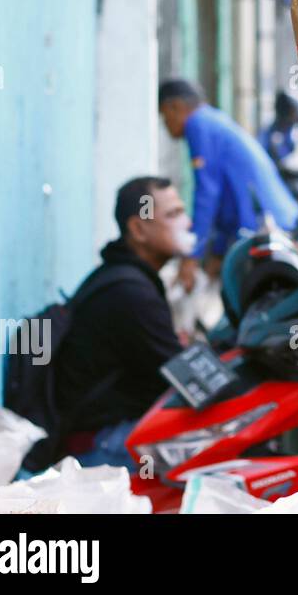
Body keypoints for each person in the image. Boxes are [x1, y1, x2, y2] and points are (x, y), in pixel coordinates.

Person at [55, 177, 191, 469]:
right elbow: (184, 380)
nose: (187, 223)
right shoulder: (132, 292)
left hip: (97, 434)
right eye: (173, 215)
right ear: (138, 229)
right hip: (97, 446)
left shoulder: (121, 276)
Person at [158, 79, 298, 290]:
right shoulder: (211, 120)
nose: (165, 123)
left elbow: (207, 195)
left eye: (164, 115)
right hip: (275, 219)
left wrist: (192, 255)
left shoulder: (198, 124)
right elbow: (226, 196)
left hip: (266, 224)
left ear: (175, 106)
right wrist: (217, 249)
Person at [260, 91, 298, 165]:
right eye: (294, 111)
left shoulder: (289, 130)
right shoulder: (269, 134)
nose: (297, 115)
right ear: (287, 112)